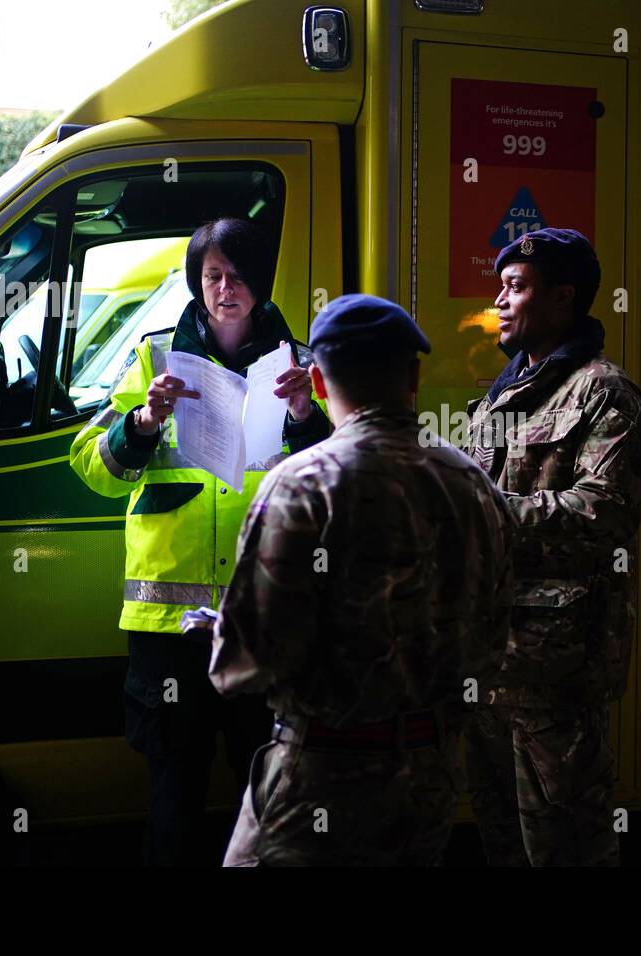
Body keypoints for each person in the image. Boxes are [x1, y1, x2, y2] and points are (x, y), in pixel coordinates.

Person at [208, 293, 514, 866]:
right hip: (429, 778)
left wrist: (220, 634)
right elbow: (494, 638)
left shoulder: (300, 484)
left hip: (320, 778)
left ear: (318, 383)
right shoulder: (472, 482)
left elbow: (241, 667)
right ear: (414, 375)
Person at [69, 217, 331, 865]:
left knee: (265, 799)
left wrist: (304, 415)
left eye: (238, 276)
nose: (224, 289)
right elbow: (93, 468)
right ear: (196, 283)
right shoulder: (151, 359)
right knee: (173, 801)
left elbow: (341, 481)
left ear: (261, 283)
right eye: (212, 276)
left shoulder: (302, 366)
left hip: (264, 617)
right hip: (170, 631)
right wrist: (145, 420)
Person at [462, 227, 641, 866]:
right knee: (500, 839)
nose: (501, 302)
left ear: (563, 298)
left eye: (517, 288)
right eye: (501, 287)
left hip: (555, 670)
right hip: (487, 663)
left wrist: (487, 511)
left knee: (565, 844)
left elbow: (606, 512)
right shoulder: (502, 395)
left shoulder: (605, 392)